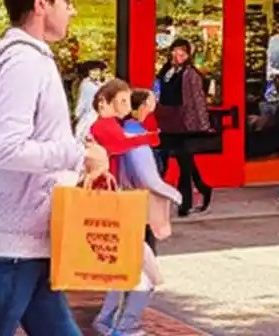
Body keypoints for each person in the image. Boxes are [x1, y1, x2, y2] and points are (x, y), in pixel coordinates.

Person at [0, 0, 109, 336]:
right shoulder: (23, 61)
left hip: (25, 227)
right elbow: (7, 149)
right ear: (42, 4)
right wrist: (77, 154)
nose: (72, 10)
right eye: (67, 1)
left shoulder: (14, 56)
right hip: (14, 231)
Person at [93, 88, 181, 336]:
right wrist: (174, 194)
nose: (125, 105)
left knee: (128, 271)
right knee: (147, 275)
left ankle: (110, 322)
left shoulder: (110, 128)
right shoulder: (110, 129)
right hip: (122, 208)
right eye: (121, 100)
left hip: (118, 207)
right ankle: (122, 325)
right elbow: (145, 174)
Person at [155, 38, 214, 217]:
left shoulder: (191, 74)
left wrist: (203, 125)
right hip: (166, 120)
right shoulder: (166, 70)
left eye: (183, 52)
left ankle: (185, 203)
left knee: (184, 163)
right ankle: (203, 188)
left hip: (183, 123)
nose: (178, 55)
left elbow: (198, 100)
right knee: (174, 160)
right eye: (175, 50)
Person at [87, 79, 156, 183]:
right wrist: (148, 138)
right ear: (104, 102)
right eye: (123, 101)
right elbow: (119, 144)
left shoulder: (109, 123)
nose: (128, 108)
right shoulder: (103, 125)